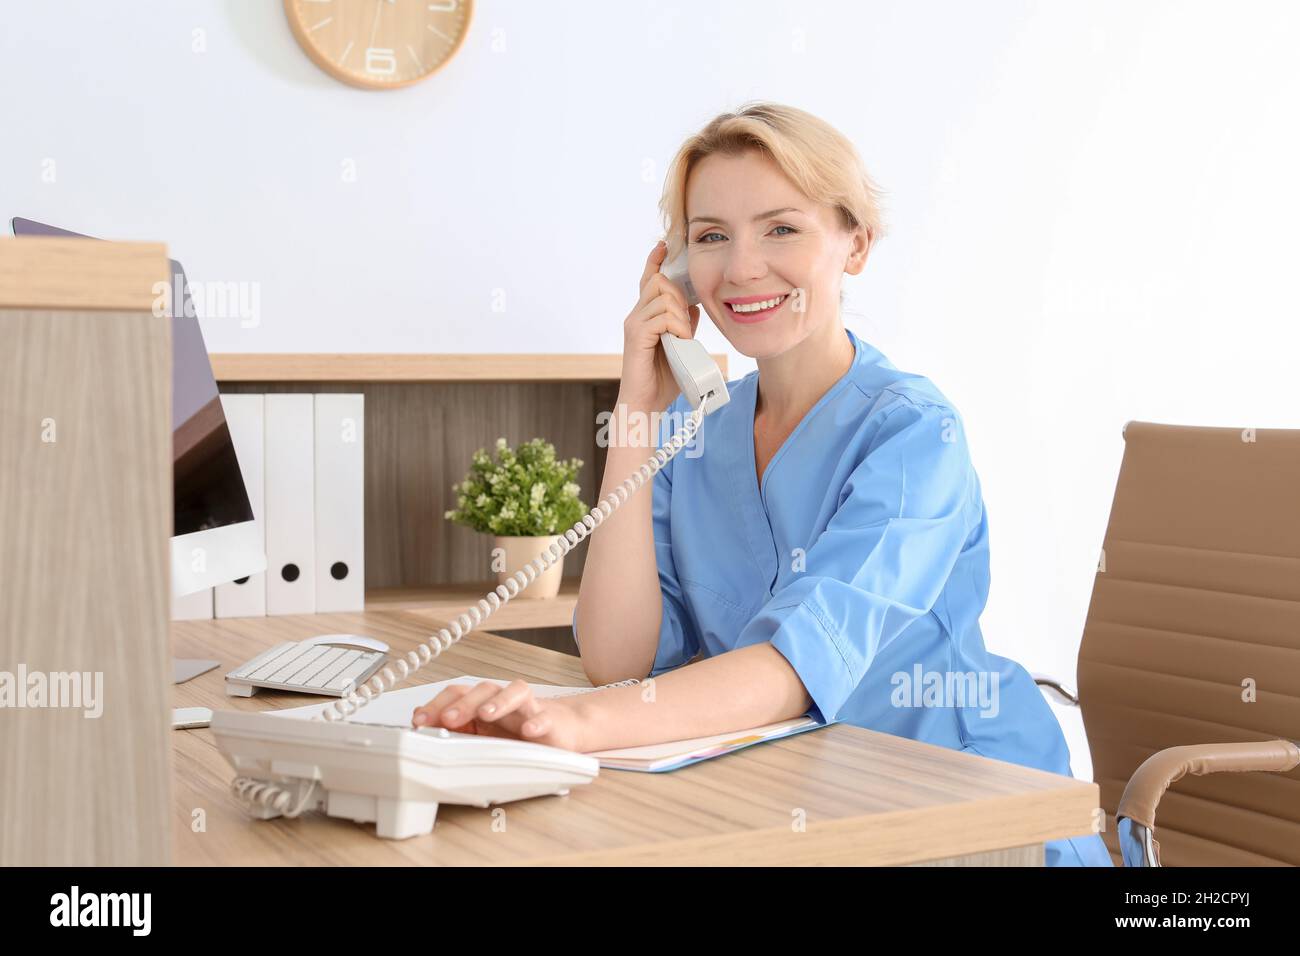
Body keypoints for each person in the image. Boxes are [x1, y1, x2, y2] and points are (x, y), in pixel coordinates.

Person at [413, 102, 1112, 867]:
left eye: (781, 228)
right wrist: (638, 406)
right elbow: (618, 660)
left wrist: (576, 724)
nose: (742, 268)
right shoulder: (701, 431)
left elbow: (797, 665)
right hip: (787, 800)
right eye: (711, 237)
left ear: (856, 243)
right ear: (675, 269)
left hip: (958, 807)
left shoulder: (915, 434)